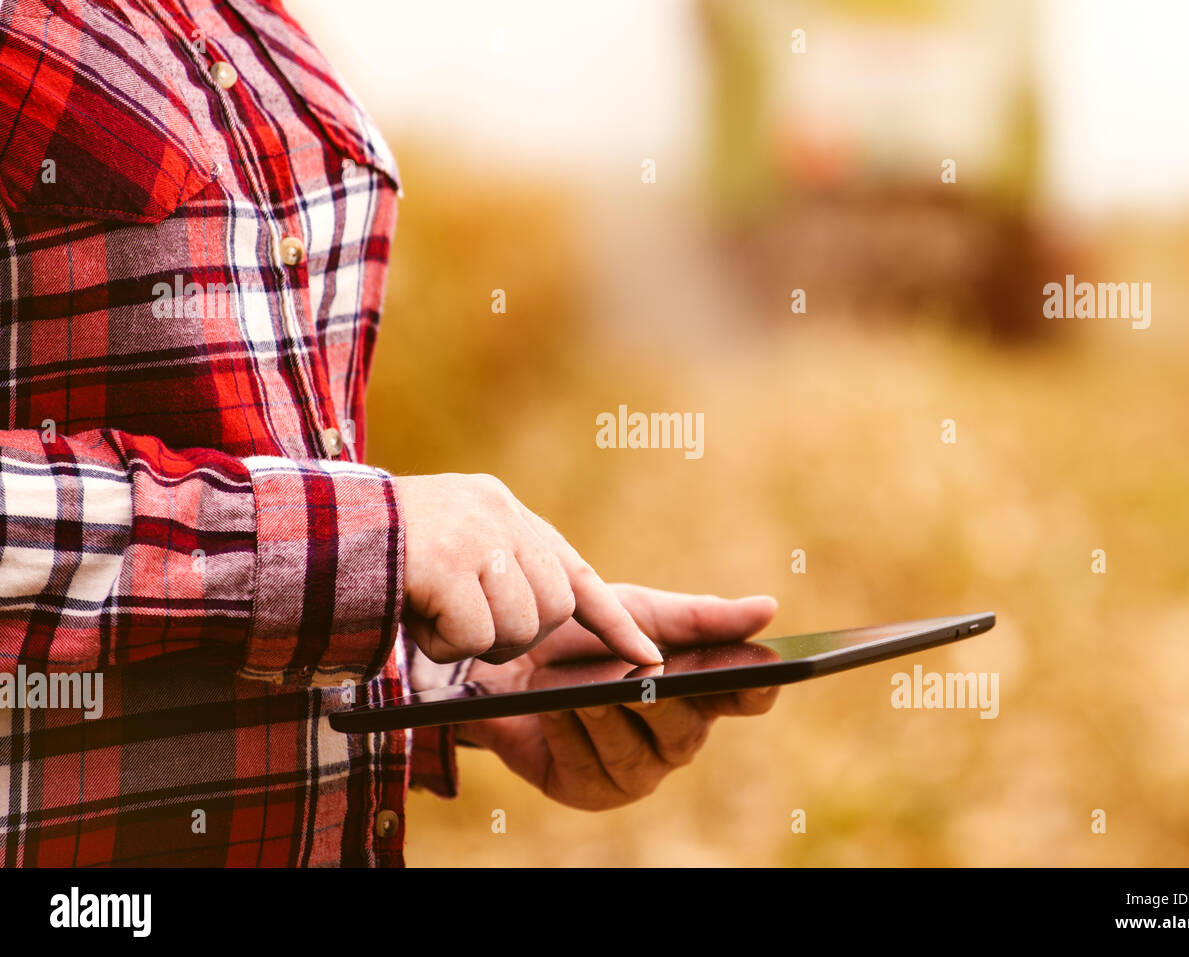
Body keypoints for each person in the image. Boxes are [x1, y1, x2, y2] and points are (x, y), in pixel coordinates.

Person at [0, 0, 776, 866]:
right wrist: (366, 539)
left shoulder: (248, 22)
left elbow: (265, 494)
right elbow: (317, 538)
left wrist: (461, 670)